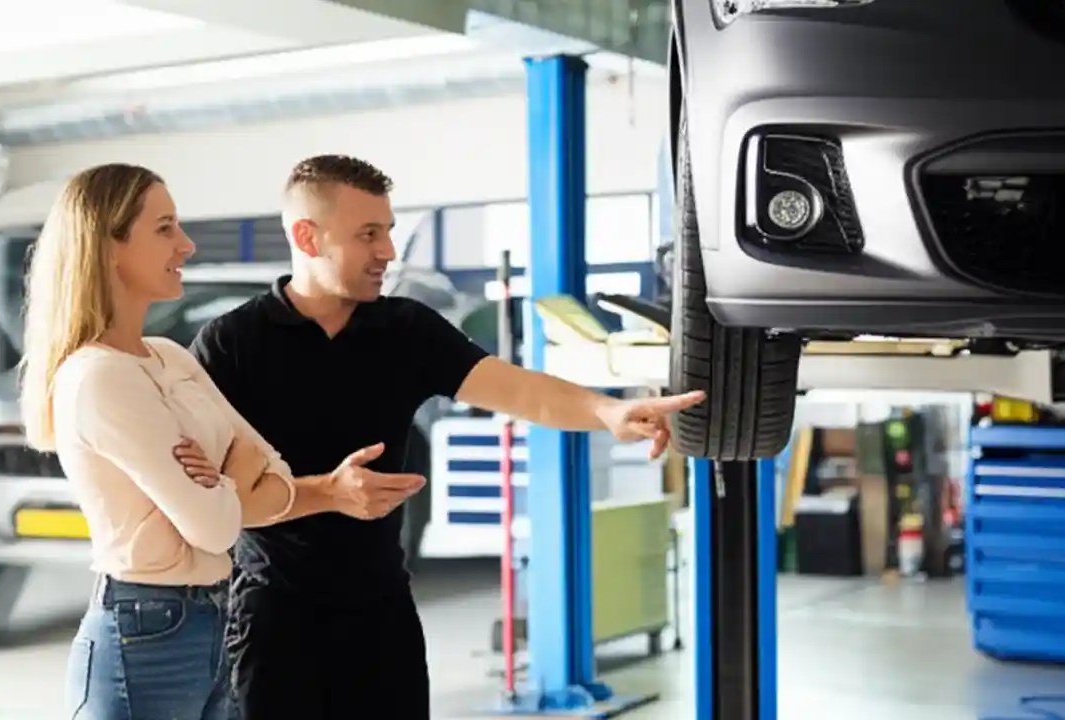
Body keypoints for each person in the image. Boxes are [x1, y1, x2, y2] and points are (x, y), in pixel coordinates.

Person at [181, 154, 707, 719]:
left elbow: (518, 390)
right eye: (368, 234)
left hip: (383, 614)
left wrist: (608, 411)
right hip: (275, 622)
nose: (387, 251)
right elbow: (209, 497)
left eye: (388, 232)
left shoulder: (404, 329)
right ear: (307, 237)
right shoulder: (231, 344)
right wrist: (326, 490)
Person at [16, 163, 425, 720]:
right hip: (142, 640)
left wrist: (220, 476)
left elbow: (271, 475)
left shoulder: (170, 356)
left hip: (211, 620)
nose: (185, 244)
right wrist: (233, 468)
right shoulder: (99, 376)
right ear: (107, 247)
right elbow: (216, 525)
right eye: (164, 228)